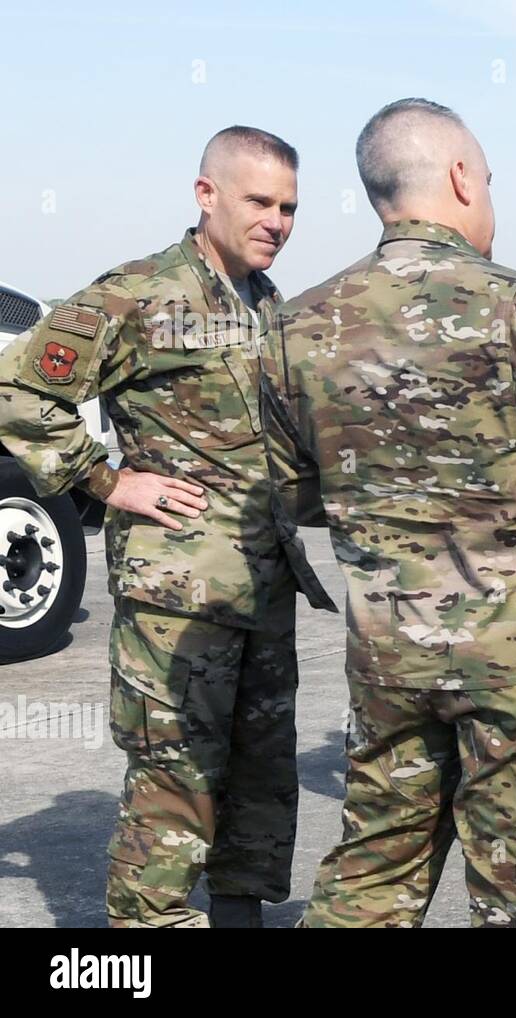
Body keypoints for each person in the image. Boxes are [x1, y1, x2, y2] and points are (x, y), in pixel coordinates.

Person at [261, 99, 516, 928]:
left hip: (389, 655)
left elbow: (291, 489)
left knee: (371, 874)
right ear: (459, 177)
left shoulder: (300, 321)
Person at [0, 126, 335, 928]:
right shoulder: (138, 293)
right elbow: (17, 392)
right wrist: (109, 480)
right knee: (176, 768)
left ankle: (238, 909)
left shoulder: (264, 302)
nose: (277, 221)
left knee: (261, 764)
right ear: (205, 194)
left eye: (289, 206)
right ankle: (147, 924)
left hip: (261, 582)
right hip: (176, 590)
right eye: (259, 201)